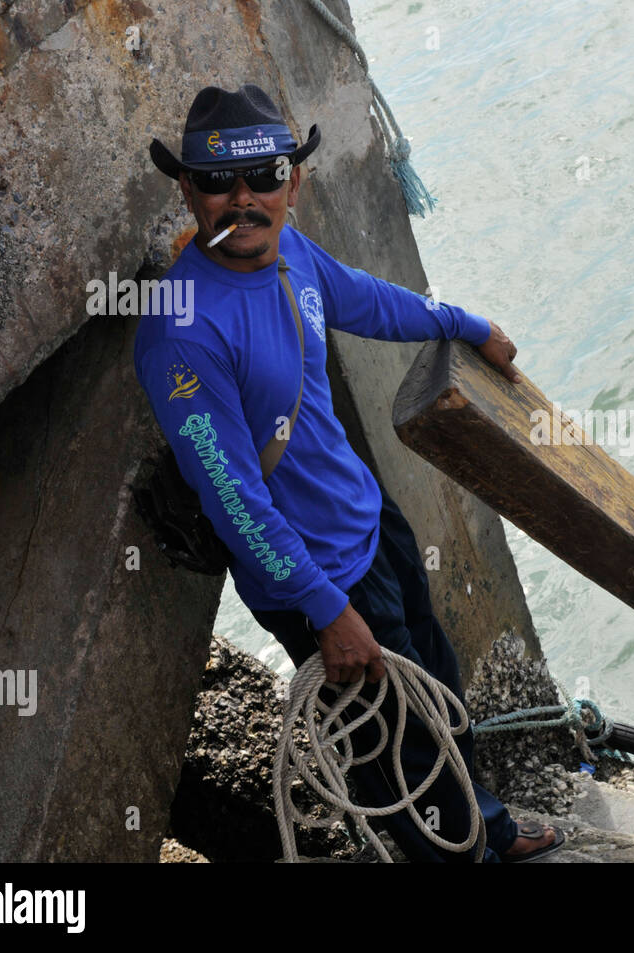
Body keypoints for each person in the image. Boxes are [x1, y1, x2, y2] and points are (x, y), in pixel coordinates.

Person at [134, 83, 563, 862]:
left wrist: (465, 324)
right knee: (395, 757)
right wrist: (326, 609)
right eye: (219, 181)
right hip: (315, 579)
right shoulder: (181, 333)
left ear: (293, 182)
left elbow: (364, 301)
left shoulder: (292, 252)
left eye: (264, 176)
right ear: (188, 189)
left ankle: (487, 823)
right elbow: (231, 498)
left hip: (371, 524)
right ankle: (462, 854)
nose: (244, 198)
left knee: (440, 697)